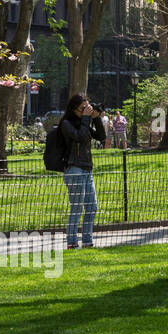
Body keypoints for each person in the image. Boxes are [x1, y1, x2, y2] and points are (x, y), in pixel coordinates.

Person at [59, 94, 107, 249]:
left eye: (87, 107)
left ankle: (87, 241)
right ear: (74, 109)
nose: (86, 110)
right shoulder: (66, 124)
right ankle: (72, 242)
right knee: (77, 207)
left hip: (87, 169)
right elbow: (80, 137)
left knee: (92, 206)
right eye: (83, 108)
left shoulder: (84, 122)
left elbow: (101, 136)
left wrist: (96, 118)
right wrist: (87, 119)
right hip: (74, 169)